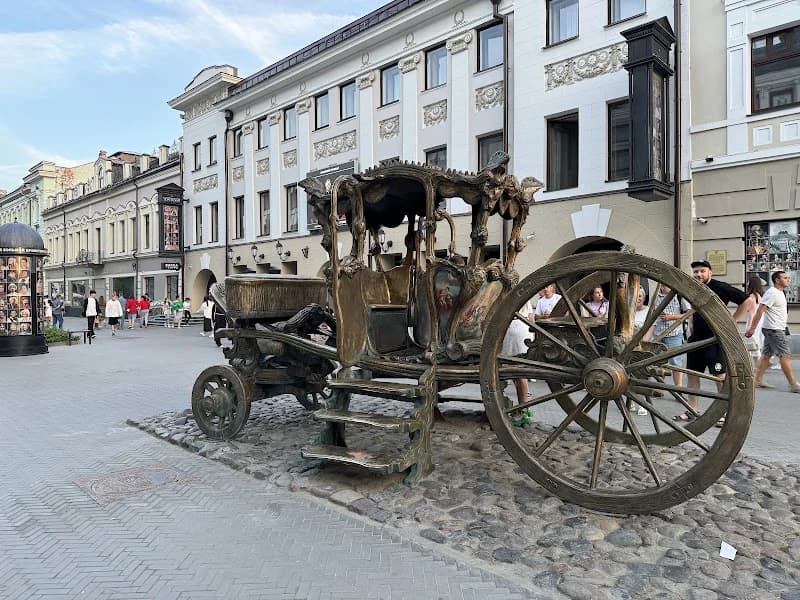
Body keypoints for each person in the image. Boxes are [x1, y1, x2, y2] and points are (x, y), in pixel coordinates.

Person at [675, 260, 748, 424]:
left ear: (710, 272)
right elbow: (694, 308)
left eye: (702, 271)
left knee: (719, 376)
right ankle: (692, 410)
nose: (698, 274)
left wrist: (733, 321)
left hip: (714, 339)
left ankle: (723, 412)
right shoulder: (695, 288)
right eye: (696, 272)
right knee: (692, 375)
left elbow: (748, 301)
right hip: (696, 339)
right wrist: (691, 325)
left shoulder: (720, 287)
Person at [746, 270, 800, 393]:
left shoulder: (780, 292)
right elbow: (760, 310)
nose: (788, 280)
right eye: (785, 278)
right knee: (784, 355)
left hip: (776, 328)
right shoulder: (772, 293)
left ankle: (757, 380)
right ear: (777, 280)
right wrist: (752, 328)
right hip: (774, 330)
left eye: (788, 278)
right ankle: (793, 384)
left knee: (766, 356)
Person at [502, 298, 535, 426]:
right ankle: (524, 408)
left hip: (515, 331)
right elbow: (531, 317)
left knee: (520, 373)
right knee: (519, 373)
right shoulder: (526, 299)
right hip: (523, 328)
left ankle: (524, 410)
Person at [651, 283, 691, 388]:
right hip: (658, 334)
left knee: (676, 362)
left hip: (674, 334)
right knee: (658, 362)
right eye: (662, 285)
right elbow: (652, 315)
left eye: (666, 285)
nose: (664, 287)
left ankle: (678, 387)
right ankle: (661, 385)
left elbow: (689, 314)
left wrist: (672, 317)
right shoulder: (656, 297)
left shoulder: (679, 296)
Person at [741, 276, 764, 367]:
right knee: (755, 344)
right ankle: (757, 366)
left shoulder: (751, 296)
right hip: (760, 321)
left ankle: (757, 367)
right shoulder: (760, 296)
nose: (747, 284)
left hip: (753, 321)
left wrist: (749, 327)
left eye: (748, 282)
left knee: (752, 344)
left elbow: (752, 312)